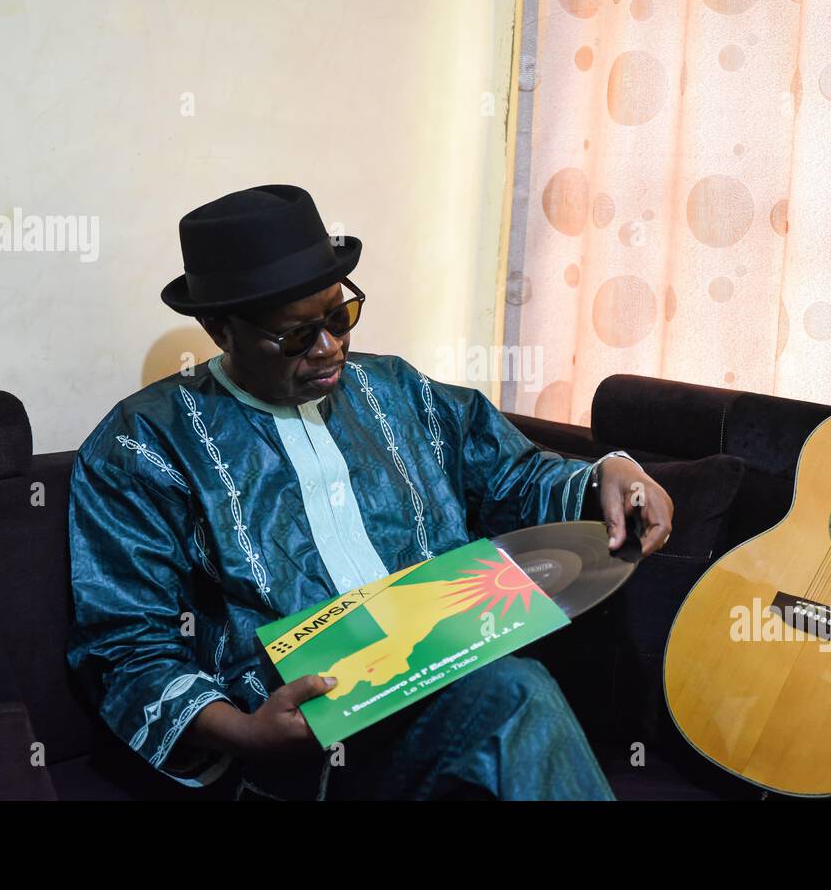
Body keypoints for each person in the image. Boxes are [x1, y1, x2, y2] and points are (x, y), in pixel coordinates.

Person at [65, 184, 674, 800]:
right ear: (219, 329)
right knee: (516, 697)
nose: (329, 348)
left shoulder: (398, 393)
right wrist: (248, 734)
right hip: (300, 742)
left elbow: (512, 479)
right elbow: (125, 649)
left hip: (453, 683)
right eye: (297, 335)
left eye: (338, 316)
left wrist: (610, 472)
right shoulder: (143, 446)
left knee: (509, 698)